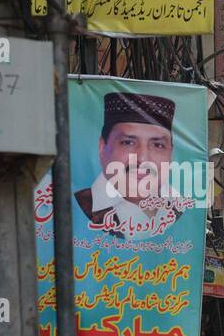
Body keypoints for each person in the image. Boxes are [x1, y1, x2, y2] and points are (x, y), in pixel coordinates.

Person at [74, 92, 182, 240]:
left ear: (171, 155)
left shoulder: (181, 210)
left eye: (157, 145)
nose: (143, 159)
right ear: (102, 148)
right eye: (128, 143)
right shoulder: (75, 207)